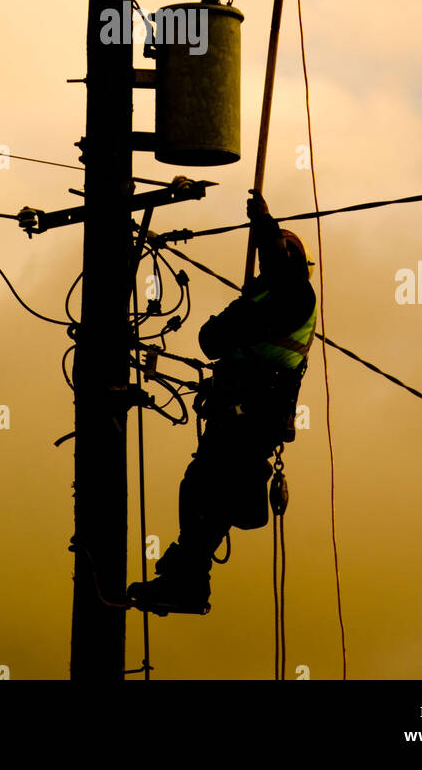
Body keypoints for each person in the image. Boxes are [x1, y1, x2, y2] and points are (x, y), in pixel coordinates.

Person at [127, 190, 317, 616]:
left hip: (253, 414)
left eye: (280, 255)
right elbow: (213, 338)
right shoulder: (265, 297)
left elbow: (221, 333)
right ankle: (186, 580)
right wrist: (243, 307)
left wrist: (266, 225)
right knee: (202, 489)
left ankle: (188, 581)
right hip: (239, 412)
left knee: (207, 489)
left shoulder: (295, 296)